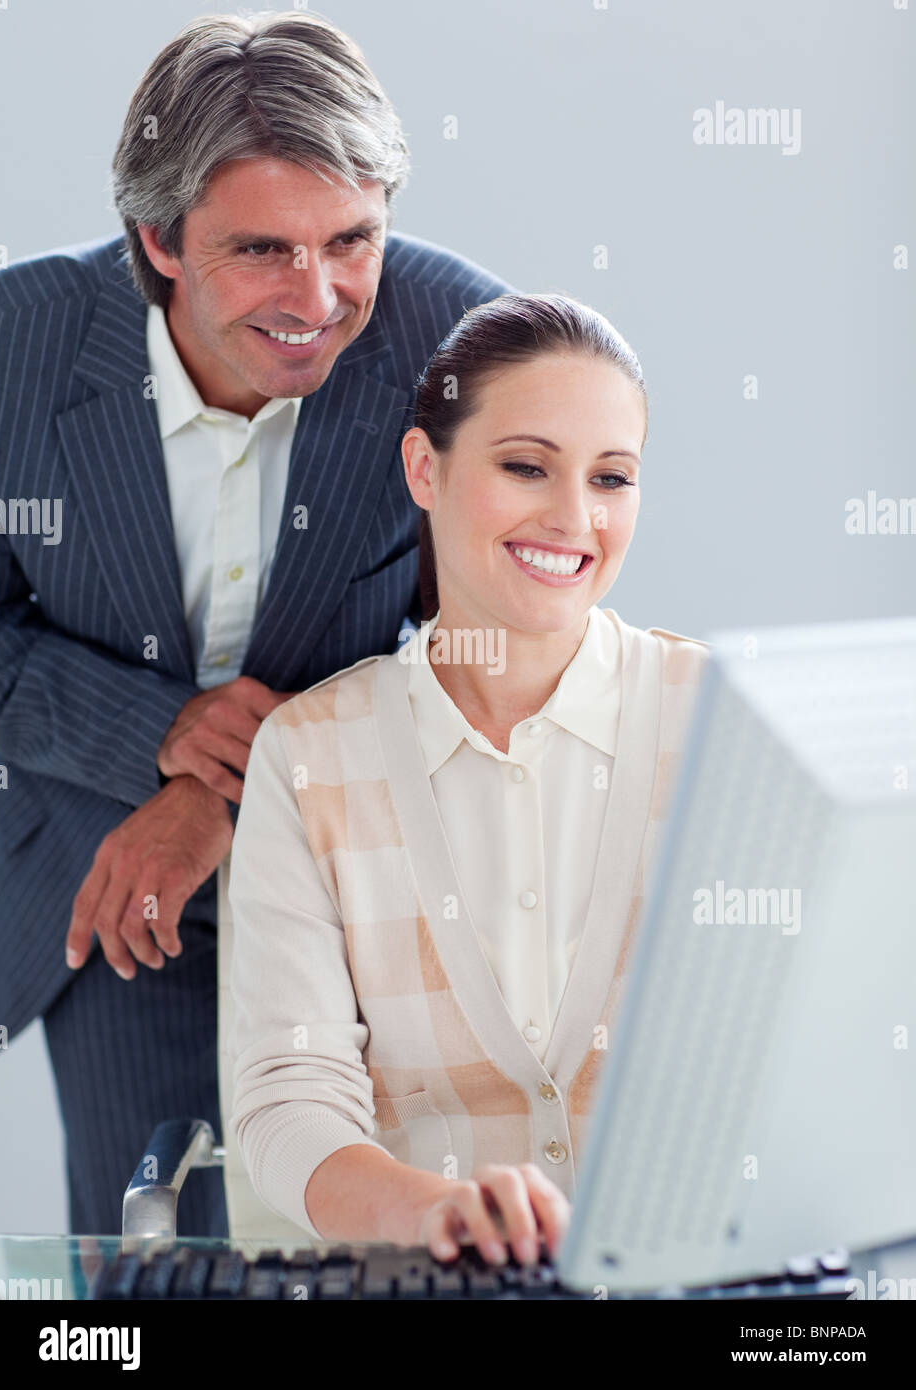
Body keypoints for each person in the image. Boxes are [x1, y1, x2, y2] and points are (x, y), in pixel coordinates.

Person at [0, 10, 513, 1238]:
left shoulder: (462, 351)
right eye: (264, 249)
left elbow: (500, 654)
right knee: (155, 1252)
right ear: (158, 238)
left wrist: (231, 787)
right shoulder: (11, 348)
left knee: (374, 1248)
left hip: (377, 881)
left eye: (353, 240)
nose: (319, 297)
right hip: (117, 882)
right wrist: (158, 738)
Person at [228, 292, 710, 1265]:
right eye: (527, 466)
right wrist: (432, 1216)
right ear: (425, 468)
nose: (575, 518)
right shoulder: (309, 754)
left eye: (611, 477)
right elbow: (290, 1103)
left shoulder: (720, 724)